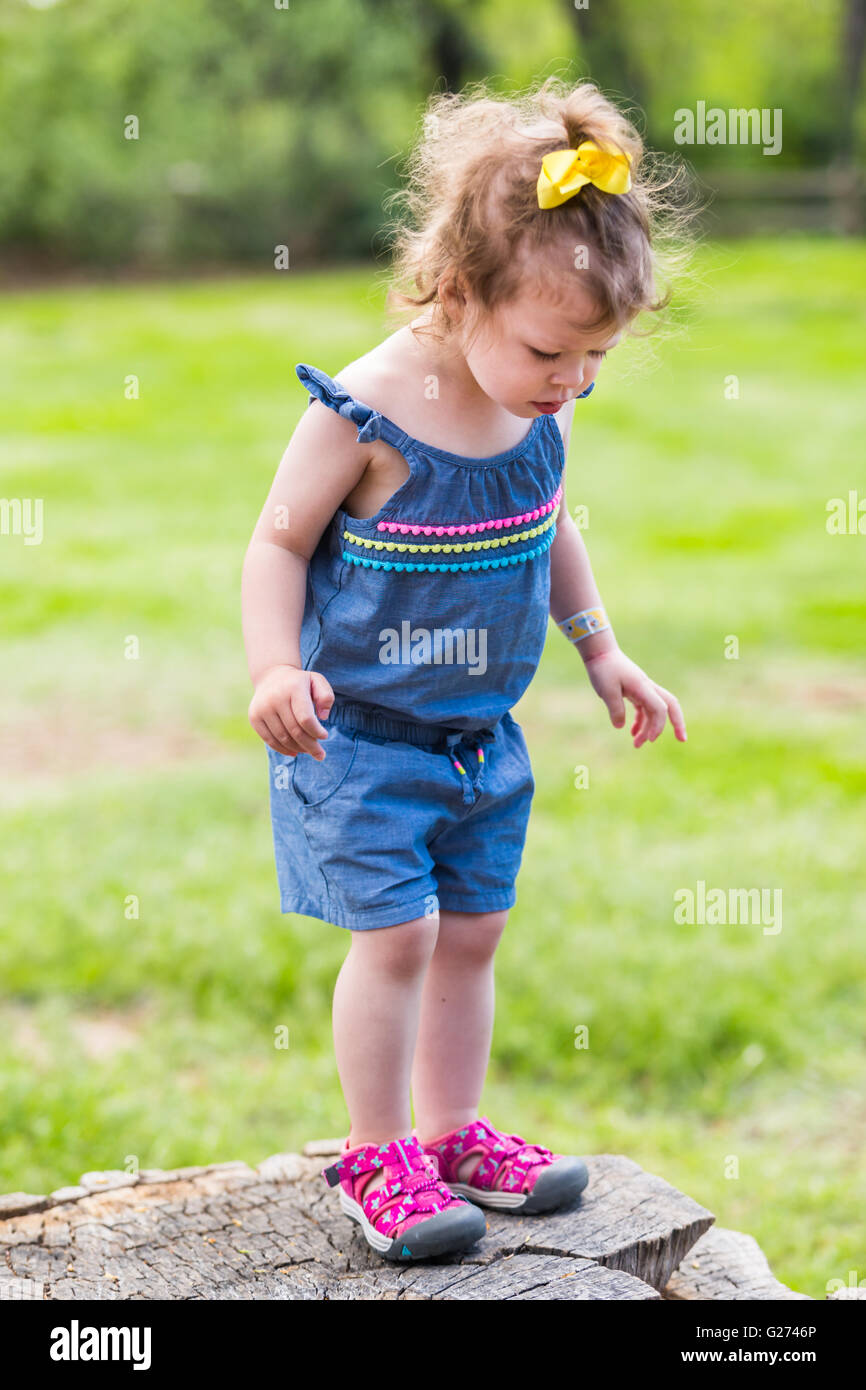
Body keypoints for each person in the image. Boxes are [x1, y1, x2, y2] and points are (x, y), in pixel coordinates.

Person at [242, 77, 691, 1262]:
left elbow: (549, 524)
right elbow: (275, 542)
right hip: (360, 738)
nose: (570, 381)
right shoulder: (366, 409)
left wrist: (601, 649)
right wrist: (273, 669)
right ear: (458, 290)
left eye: (594, 358)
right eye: (550, 350)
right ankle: (374, 1150)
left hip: (483, 743)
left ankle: (449, 1134)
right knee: (396, 938)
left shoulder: (543, 402)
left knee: (473, 933)